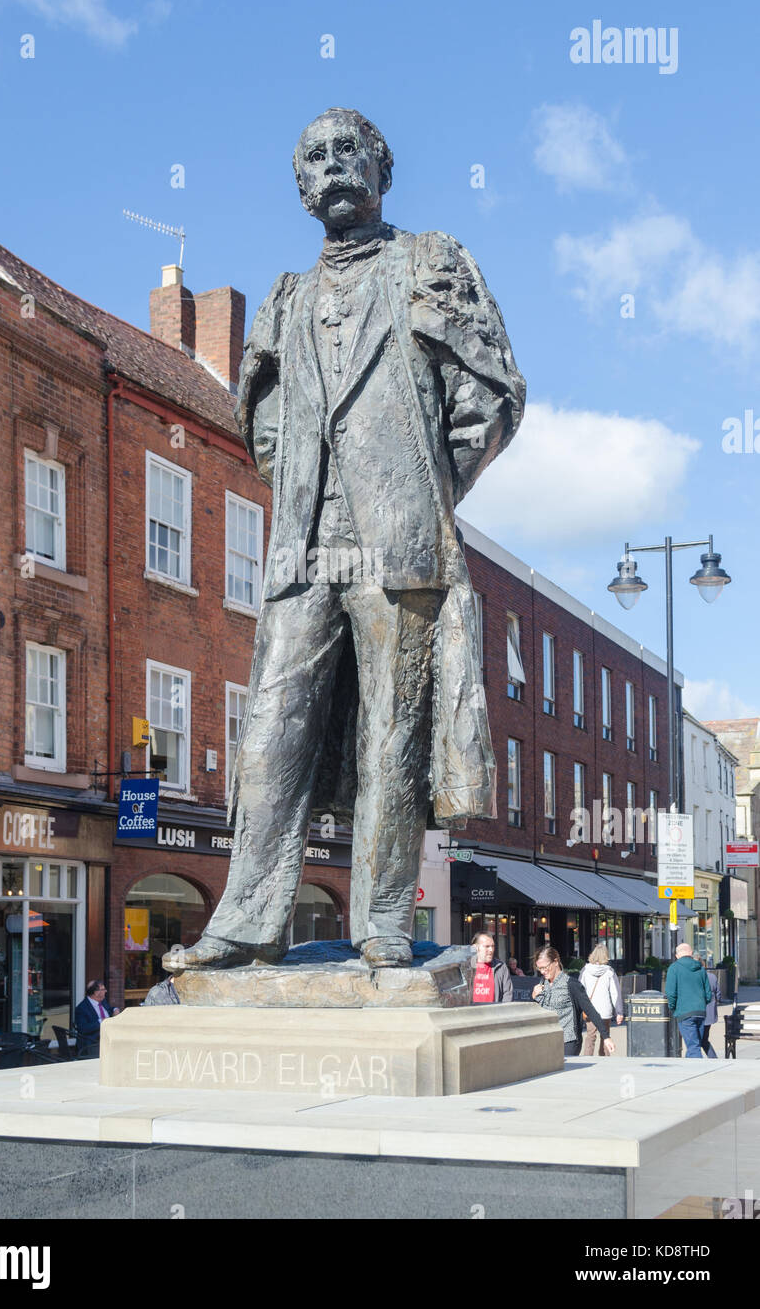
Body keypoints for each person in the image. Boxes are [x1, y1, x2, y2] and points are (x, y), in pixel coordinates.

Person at [179, 107, 525, 972]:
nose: (333, 167)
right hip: (305, 546)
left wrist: (420, 484)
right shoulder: (288, 295)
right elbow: (260, 422)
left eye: (349, 152)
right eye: (315, 158)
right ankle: (248, 916)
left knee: (392, 733)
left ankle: (380, 921)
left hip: (395, 545)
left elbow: (487, 394)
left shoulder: (430, 262)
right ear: (300, 186)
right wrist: (301, 485)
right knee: (270, 730)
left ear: (381, 169)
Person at [532, 946, 615, 1057]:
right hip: (547, 1039)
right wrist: (533, 997)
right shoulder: (542, 984)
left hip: (568, 1040)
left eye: (545, 967)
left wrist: (606, 1037)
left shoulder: (571, 984)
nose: (543, 971)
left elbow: (590, 1010)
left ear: (555, 962)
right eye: (539, 968)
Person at [665, 943, 713, 1057]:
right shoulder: (701, 968)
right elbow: (708, 993)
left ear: (677, 955)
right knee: (695, 1044)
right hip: (700, 1012)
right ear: (691, 953)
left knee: (693, 1047)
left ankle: (697, 1071)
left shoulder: (674, 968)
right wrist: (702, 1003)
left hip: (684, 1012)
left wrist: (672, 1007)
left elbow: (671, 993)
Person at [579, 944, 624, 1056]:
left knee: (590, 1036)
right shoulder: (609, 972)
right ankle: (604, 1060)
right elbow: (615, 993)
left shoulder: (585, 970)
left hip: (590, 1010)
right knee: (605, 1036)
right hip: (605, 1010)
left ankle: (587, 1060)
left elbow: (580, 990)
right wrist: (619, 1011)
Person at [74, 979, 118, 1059]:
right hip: (94, 1042)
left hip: (110, 1035)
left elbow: (109, 1009)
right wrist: (101, 1021)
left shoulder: (102, 1001)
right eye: (103, 989)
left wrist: (115, 1009)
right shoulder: (82, 1008)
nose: (106, 991)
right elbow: (83, 1029)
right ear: (96, 992)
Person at [470, 933, 513, 1003]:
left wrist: (503, 1012)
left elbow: (507, 994)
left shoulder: (501, 967)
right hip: (471, 1012)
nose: (491, 950)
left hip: (493, 1012)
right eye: (487, 946)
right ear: (475, 948)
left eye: (492, 946)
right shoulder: (467, 966)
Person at [694, 952, 721, 1058]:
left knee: (698, 1040)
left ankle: (708, 1059)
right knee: (703, 1039)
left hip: (696, 1013)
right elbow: (718, 994)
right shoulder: (712, 977)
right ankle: (713, 1058)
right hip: (709, 1014)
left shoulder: (694, 978)